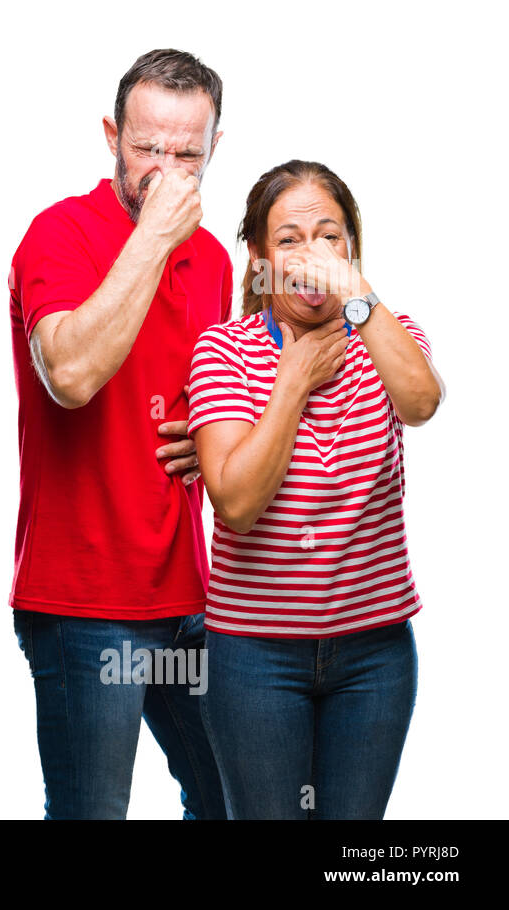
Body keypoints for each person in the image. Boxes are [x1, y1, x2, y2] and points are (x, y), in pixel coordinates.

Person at [8, 48, 229, 819]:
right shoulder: (58, 234)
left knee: (238, 798)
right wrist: (153, 237)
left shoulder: (212, 261)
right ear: (111, 135)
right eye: (147, 149)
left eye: (187, 154)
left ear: (214, 150)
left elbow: (215, 396)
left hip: (190, 596)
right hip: (84, 603)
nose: (165, 171)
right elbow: (70, 375)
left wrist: (214, 441)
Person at [187, 160, 444, 819]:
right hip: (253, 658)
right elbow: (237, 505)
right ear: (258, 257)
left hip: (375, 657)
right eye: (290, 238)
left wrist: (359, 297)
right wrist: (292, 381)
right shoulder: (224, 351)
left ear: (352, 249)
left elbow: (420, 401)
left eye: (330, 236)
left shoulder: (390, 336)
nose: (312, 254)